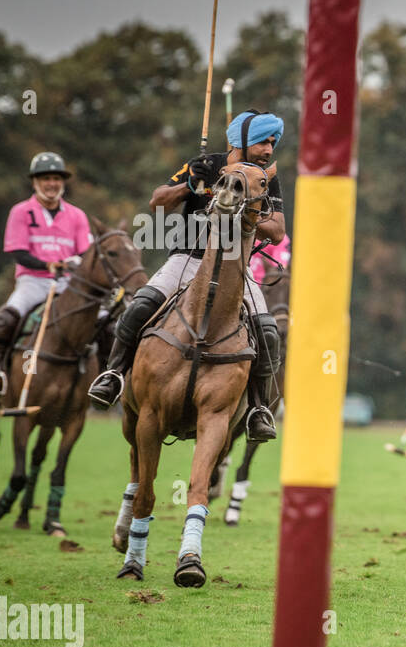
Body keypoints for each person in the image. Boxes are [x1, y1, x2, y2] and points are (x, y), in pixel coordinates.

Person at [87, 110, 286, 441]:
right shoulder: (204, 164)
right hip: (188, 258)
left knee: (267, 330)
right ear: (241, 141)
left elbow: (277, 231)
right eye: (263, 142)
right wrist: (191, 184)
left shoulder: (266, 178)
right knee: (141, 304)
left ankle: (258, 408)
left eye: (272, 143)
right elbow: (157, 203)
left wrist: (244, 213)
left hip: (236, 266)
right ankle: (113, 374)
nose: (269, 149)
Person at [0, 153, 94, 395]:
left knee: (104, 319)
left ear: (62, 182)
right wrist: (49, 265)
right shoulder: (21, 212)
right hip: (32, 281)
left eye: (56, 178)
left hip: (68, 284)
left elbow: (86, 254)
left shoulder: (77, 215)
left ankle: (107, 376)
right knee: (6, 317)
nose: (51, 183)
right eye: (45, 178)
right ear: (34, 182)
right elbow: (19, 252)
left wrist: (75, 265)